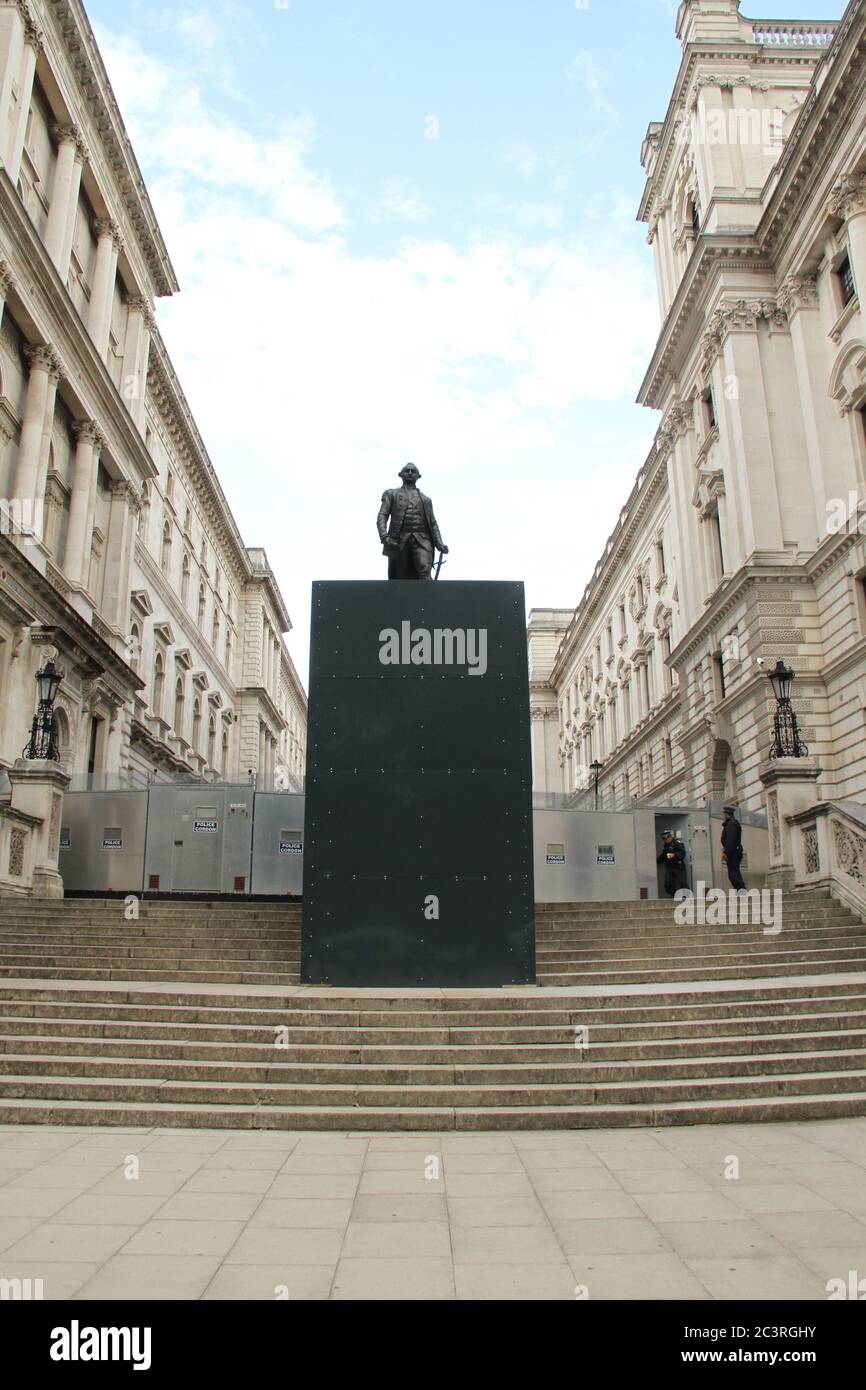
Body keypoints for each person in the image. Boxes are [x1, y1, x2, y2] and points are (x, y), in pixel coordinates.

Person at [377, 463, 449, 580]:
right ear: (401, 475)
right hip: (399, 540)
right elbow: (382, 516)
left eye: (413, 471)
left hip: (422, 540)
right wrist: (385, 537)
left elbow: (433, 523)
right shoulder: (391, 494)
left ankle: (429, 598)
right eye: (407, 471)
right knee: (399, 577)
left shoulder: (426, 500)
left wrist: (439, 544)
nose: (410, 473)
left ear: (418, 476)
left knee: (425, 572)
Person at [721, 805, 747, 890]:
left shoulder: (731, 824)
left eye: (724, 814)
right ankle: (740, 891)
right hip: (734, 851)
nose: (723, 816)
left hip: (733, 853)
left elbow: (730, 840)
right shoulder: (732, 823)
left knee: (734, 874)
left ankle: (742, 892)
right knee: (733, 873)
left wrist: (726, 852)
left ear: (727, 814)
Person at [658, 830, 687, 897]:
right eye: (663, 839)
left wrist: (674, 855)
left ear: (670, 837)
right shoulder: (666, 845)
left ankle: (687, 896)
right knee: (668, 883)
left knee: (682, 882)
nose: (664, 840)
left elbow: (682, 853)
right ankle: (673, 895)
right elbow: (664, 855)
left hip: (678, 866)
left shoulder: (678, 843)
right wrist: (657, 860)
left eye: (665, 839)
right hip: (670, 867)